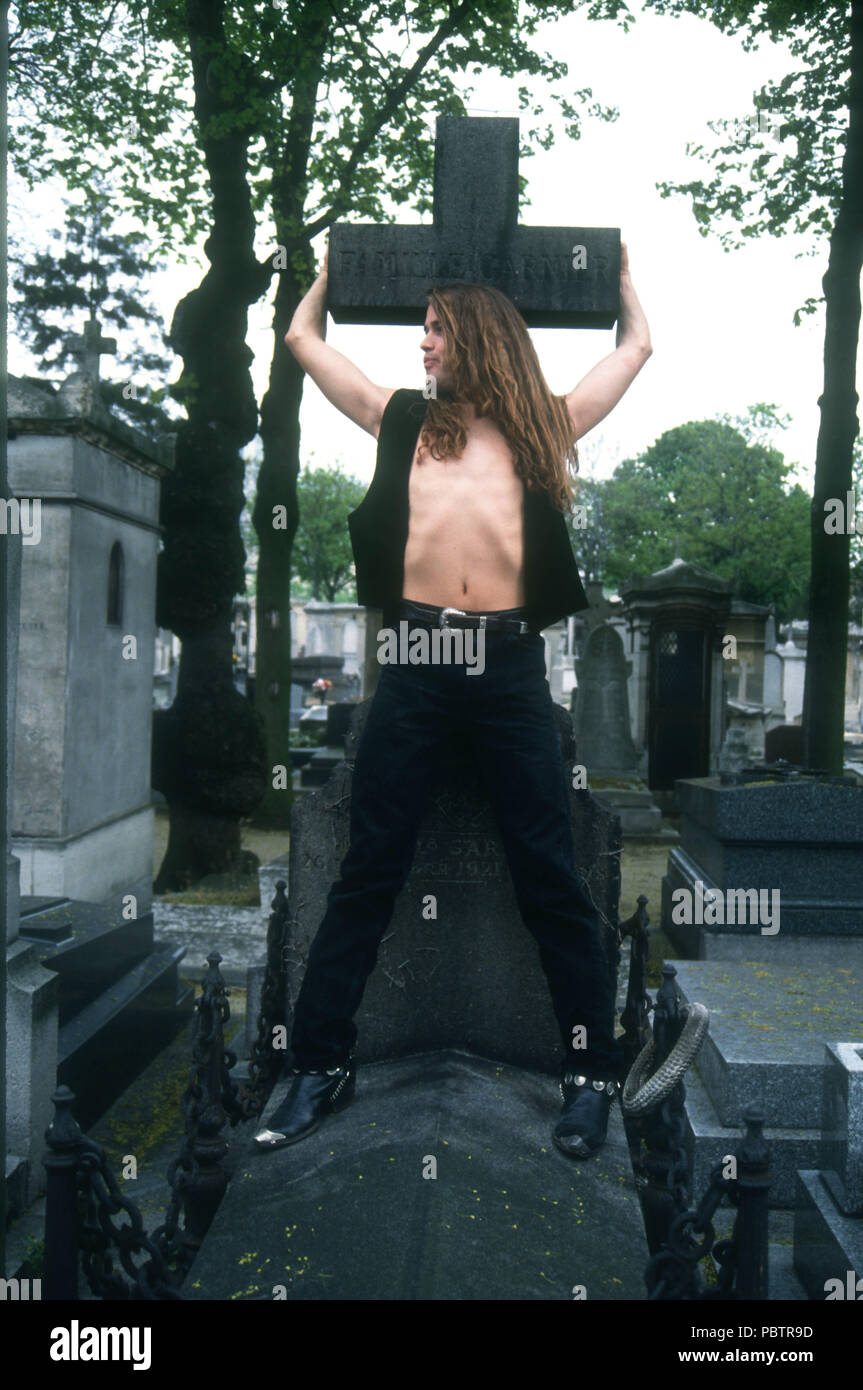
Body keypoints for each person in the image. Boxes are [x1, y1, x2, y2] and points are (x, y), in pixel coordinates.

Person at [254, 243, 652, 1158]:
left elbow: (633, 350)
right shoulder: (400, 423)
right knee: (369, 868)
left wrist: (619, 282)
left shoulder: (545, 426)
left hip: (510, 670)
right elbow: (303, 340)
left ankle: (588, 1075)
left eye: (434, 329)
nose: (421, 344)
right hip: (416, 664)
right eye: (420, 328)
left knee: (549, 875)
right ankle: (317, 1064)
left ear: (475, 336)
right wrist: (330, 271)